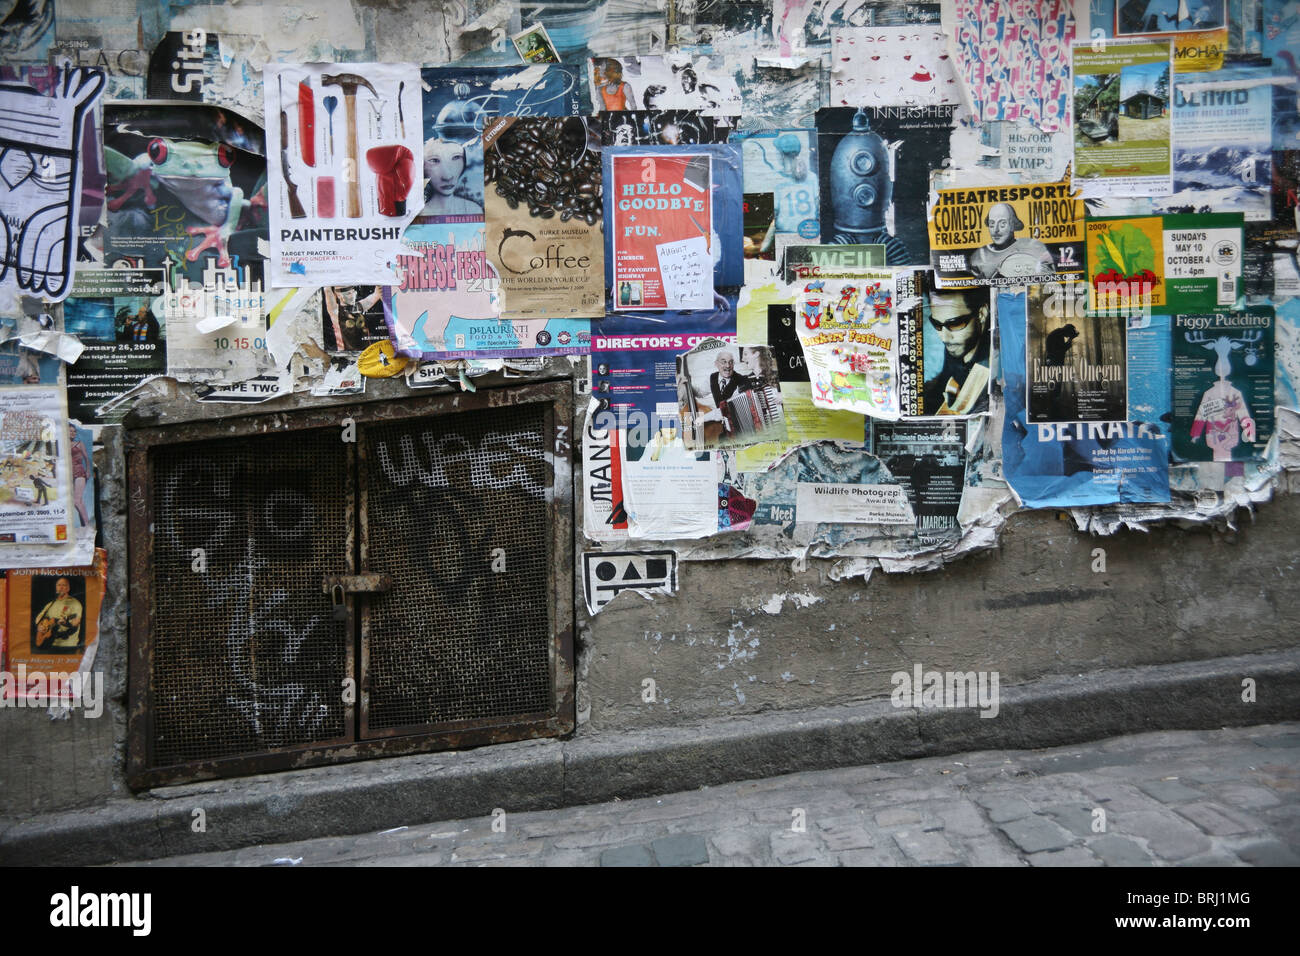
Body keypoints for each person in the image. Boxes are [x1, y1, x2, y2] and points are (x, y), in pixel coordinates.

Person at [923, 288, 991, 415]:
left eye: (955, 324)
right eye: (937, 324)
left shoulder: (991, 363)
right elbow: (940, 388)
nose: (944, 337)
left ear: (981, 314)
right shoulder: (959, 344)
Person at [968, 203, 1055, 280]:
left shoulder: (1034, 246)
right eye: (992, 224)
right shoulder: (978, 256)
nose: (996, 230)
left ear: (1013, 225)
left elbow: (1050, 279)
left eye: (1002, 224)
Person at [422, 137, 483, 217]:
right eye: (434, 160)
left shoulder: (473, 209)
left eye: (456, 157)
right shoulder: (419, 214)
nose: (448, 177)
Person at [34, 576, 83, 652]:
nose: (61, 587)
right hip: (50, 643)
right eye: (59, 585)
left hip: (67, 646)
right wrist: (40, 626)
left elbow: (76, 623)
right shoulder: (51, 603)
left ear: (68, 588)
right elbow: (39, 618)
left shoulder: (75, 603)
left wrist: (67, 623)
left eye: (64, 585)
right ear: (56, 588)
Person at [69, 424, 91, 527]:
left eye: (74, 431)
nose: (73, 433)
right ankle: (84, 524)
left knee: (77, 500)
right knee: (74, 502)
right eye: (70, 431)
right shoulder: (63, 445)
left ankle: (87, 524)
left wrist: (88, 470)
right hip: (69, 473)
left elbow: (86, 458)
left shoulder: (79, 443)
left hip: (79, 472)